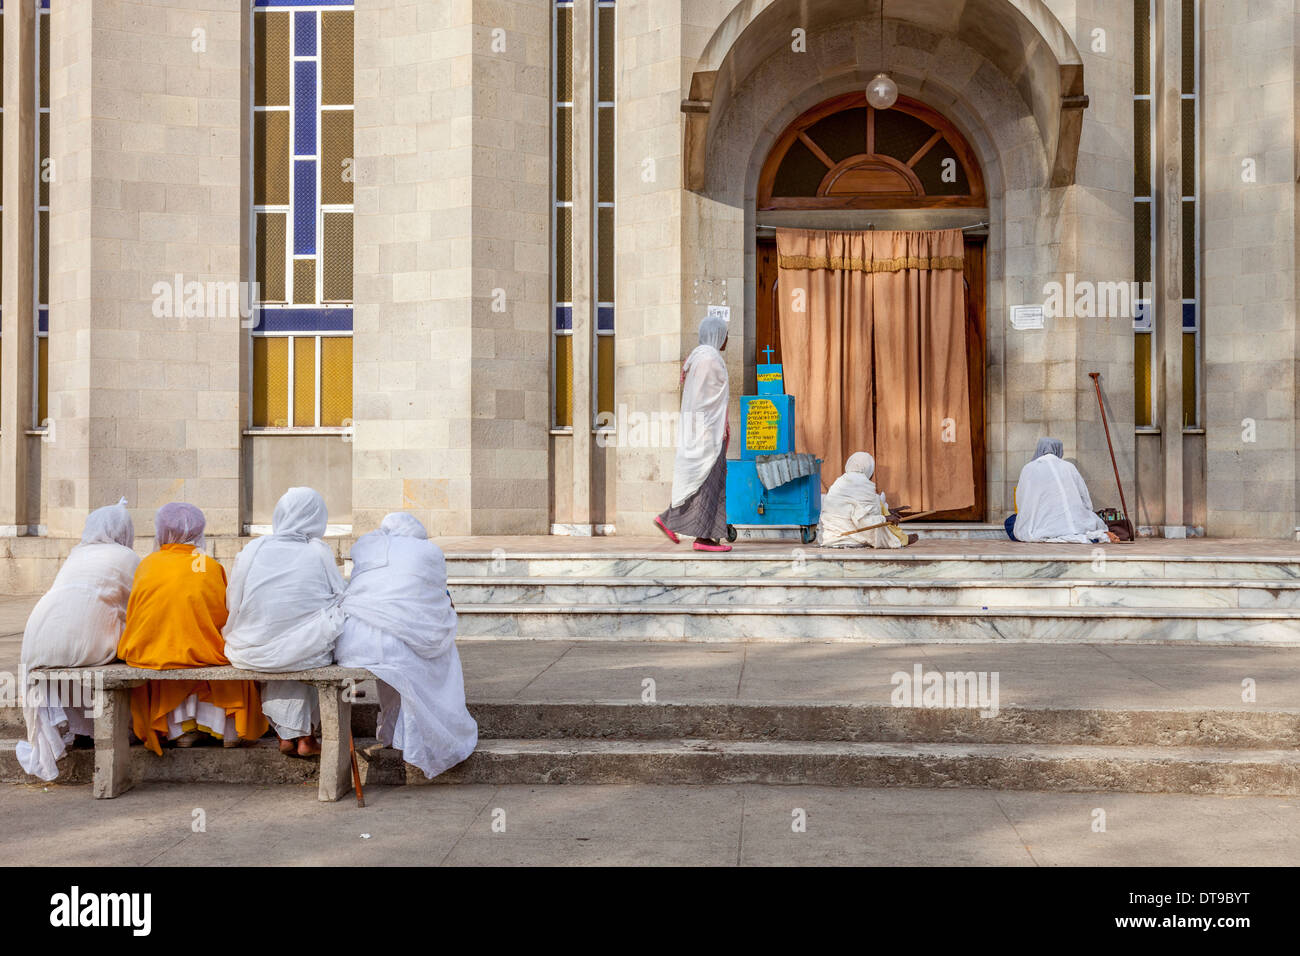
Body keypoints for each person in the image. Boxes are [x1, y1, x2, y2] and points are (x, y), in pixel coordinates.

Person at [335, 512, 477, 778]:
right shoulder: (429, 552)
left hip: (353, 642)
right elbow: (437, 597)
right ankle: (417, 736)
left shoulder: (368, 546)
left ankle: (392, 732)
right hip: (394, 642)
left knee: (392, 648)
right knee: (426, 647)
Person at [117, 503, 268, 752]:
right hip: (202, 652)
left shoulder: (147, 565)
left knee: (175, 650)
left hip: (155, 652)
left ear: (161, 531)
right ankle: (226, 729)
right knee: (218, 652)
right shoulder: (209, 565)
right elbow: (222, 618)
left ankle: (181, 729)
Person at [16, 498, 140, 780]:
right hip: (84, 640)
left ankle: (84, 729)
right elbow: (141, 605)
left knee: (71, 657)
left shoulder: (76, 553)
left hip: (38, 635)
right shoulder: (127, 557)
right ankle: (113, 727)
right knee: (124, 650)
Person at [223, 487, 345, 757]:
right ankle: (305, 738)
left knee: (284, 639)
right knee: (312, 638)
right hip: (304, 652)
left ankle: (285, 735)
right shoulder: (318, 551)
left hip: (251, 650)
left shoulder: (254, 548)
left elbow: (233, 599)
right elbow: (340, 597)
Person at [654, 315, 732, 552]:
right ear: (717, 334)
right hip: (708, 434)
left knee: (700, 481)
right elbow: (706, 401)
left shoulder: (697, 357)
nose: (727, 338)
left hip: (699, 431)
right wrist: (718, 429)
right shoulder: (710, 359)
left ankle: (669, 518)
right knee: (711, 483)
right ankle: (703, 538)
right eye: (725, 333)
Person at [1006, 438, 1119, 543]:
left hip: (1041, 526)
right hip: (1073, 524)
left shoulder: (1029, 468)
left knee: (1010, 522)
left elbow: (1021, 500)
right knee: (1082, 523)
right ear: (1059, 450)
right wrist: (1084, 514)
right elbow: (1085, 499)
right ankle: (1088, 535)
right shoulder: (1069, 467)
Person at [818, 452, 918, 549]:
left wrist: (888, 512)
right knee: (879, 523)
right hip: (849, 538)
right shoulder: (862, 484)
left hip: (830, 537)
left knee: (877, 504)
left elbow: (854, 510)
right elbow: (864, 521)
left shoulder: (839, 482)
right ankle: (899, 540)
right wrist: (885, 519)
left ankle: (900, 538)